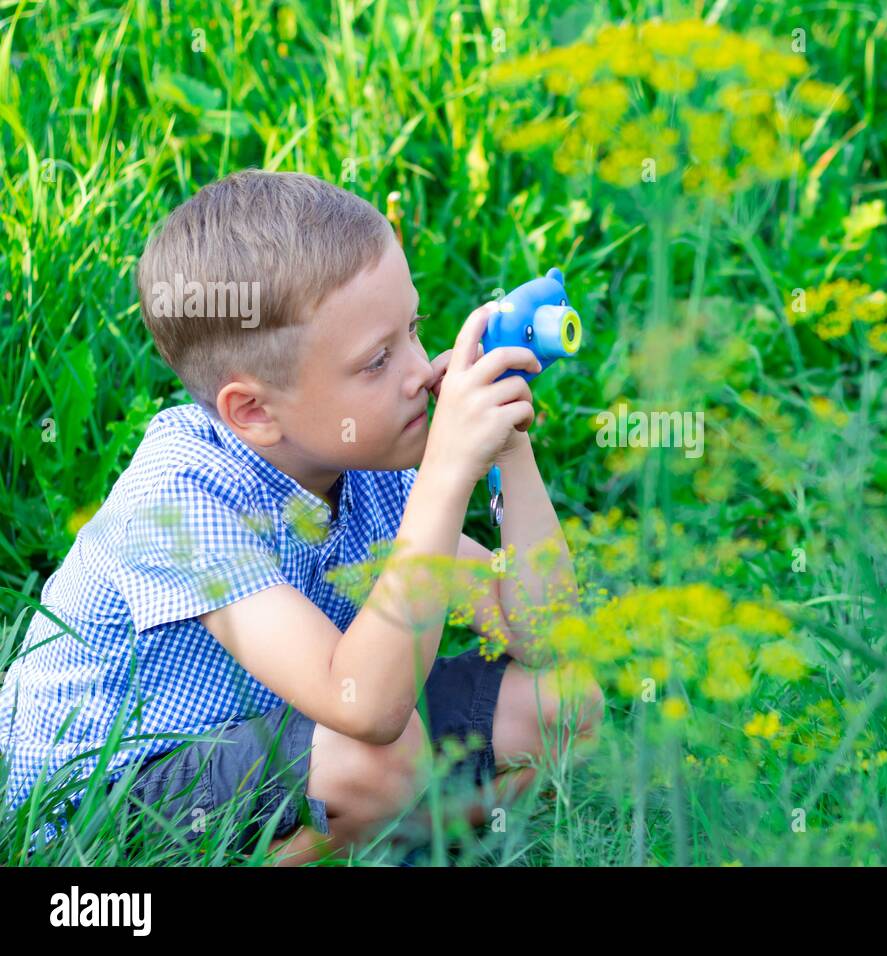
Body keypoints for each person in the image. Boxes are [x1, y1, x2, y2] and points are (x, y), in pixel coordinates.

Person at [0, 169, 604, 865]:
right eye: (377, 360)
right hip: (105, 796)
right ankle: (385, 826)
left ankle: (397, 836)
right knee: (385, 754)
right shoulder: (182, 498)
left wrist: (509, 453)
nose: (417, 371)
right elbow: (368, 709)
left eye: (413, 330)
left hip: (297, 734)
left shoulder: (368, 463)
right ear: (254, 412)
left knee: (567, 707)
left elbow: (545, 637)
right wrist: (444, 478)